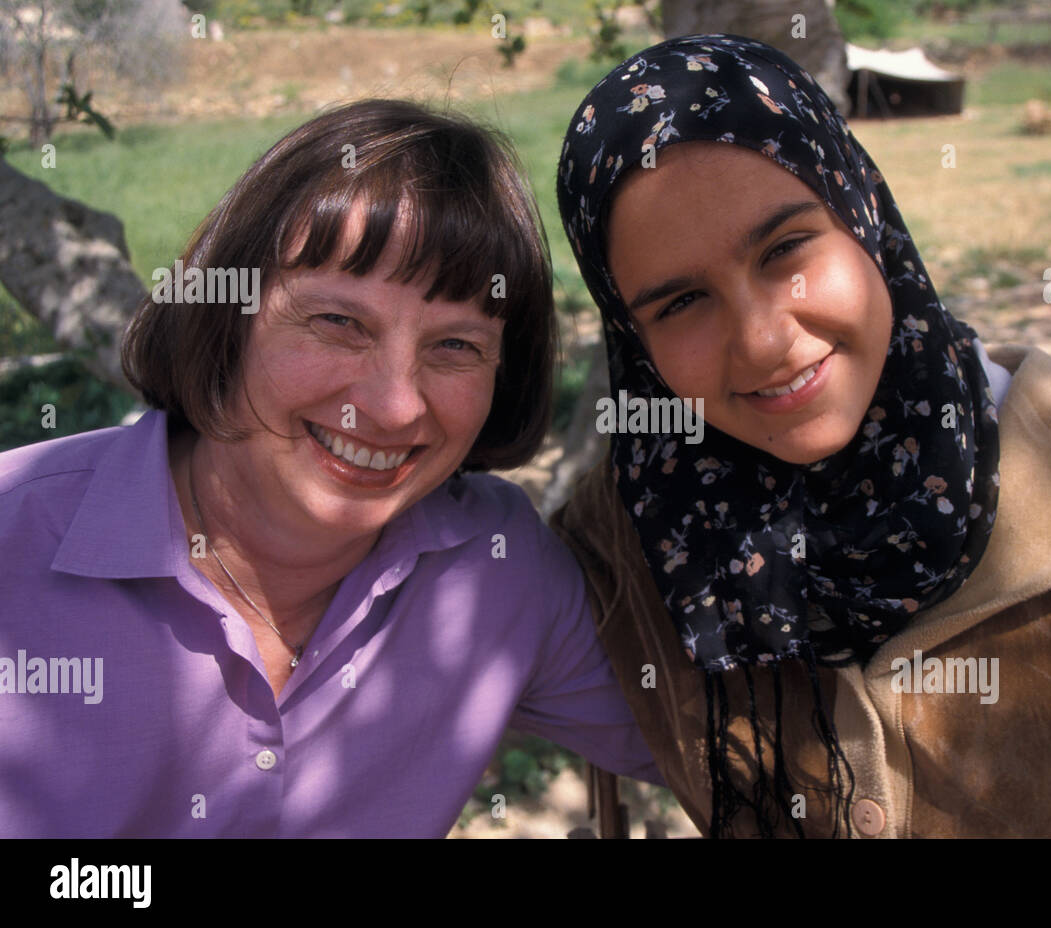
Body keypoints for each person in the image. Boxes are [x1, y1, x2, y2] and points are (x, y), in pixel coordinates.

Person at [549, 34, 1051, 838]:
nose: (763, 340)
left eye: (787, 248)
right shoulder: (629, 536)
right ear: (634, 341)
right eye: (681, 303)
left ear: (863, 212)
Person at [0, 99, 663, 837]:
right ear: (228, 319)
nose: (392, 406)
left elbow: (729, 749)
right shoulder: (14, 546)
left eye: (455, 347)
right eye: (339, 323)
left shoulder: (497, 568)